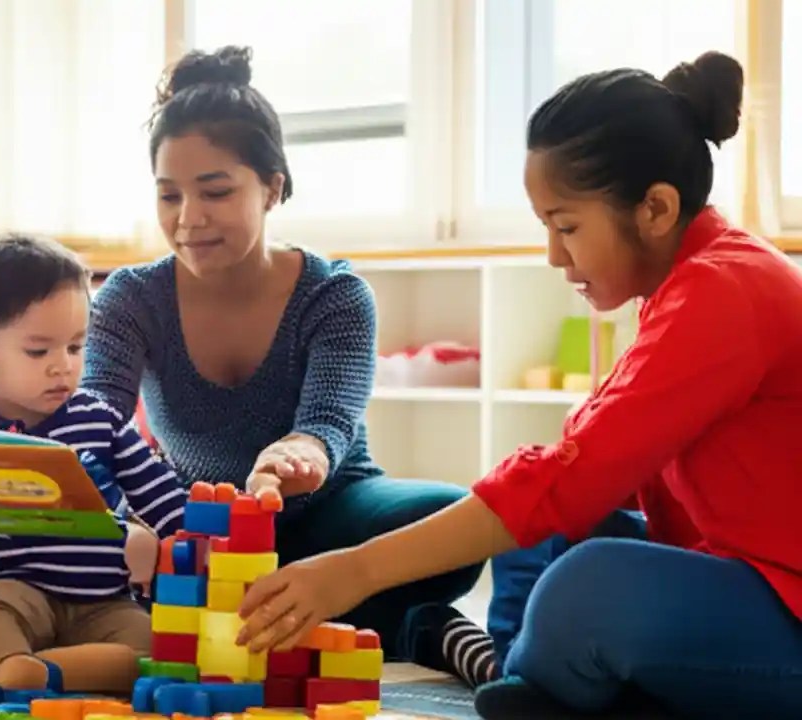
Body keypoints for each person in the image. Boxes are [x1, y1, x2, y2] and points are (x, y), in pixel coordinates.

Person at [232, 50, 802, 720]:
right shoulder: (687, 285)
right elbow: (570, 476)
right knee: (541, 527)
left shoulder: (725, 292)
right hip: (744, 579)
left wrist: (352, 571)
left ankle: (534, 678)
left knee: (589, 586)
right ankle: (525, 676)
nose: (555, 255)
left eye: (566, 227)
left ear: (654, 208)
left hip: (785, 608)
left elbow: (572, 474)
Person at [82, 45, 483, 650]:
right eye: (170, 196)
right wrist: (129, 523)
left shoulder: (336, 295)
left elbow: (327, 423)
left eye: (215, 192)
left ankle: (333, 615)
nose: (189, 218)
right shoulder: (131, 300)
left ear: (272, 188)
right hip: (197, 525)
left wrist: (298, 454)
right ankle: (398, 628)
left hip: (331, 517)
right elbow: (94, 427)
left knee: (448, 517)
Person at [0, 234, 188, 693]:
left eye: (76, 347)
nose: (62, 366)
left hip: (102, 600)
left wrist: (201, 529)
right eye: (39, 351)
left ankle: (35, 672)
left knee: (158, 651)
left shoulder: (99, 421)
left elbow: (160, 495)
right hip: (13, 594)